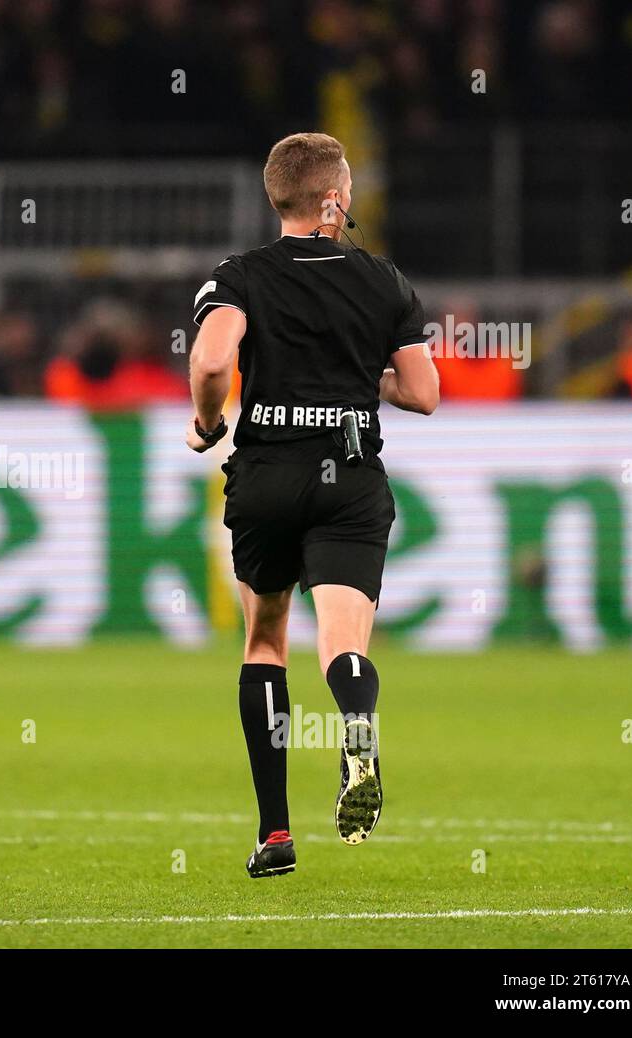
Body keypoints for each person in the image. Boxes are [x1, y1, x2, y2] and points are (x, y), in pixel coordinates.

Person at [186, 132, 439, 878]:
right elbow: (423, 393)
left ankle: (274, 836)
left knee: (266, 641)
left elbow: (209, 359)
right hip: (352, 473)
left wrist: (207, 423)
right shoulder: (384, 281)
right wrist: (371, 384)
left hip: (267, 471)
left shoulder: (239, 276)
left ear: (278, 199)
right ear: (335, 199)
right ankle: (355, 722)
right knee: (343, 645)